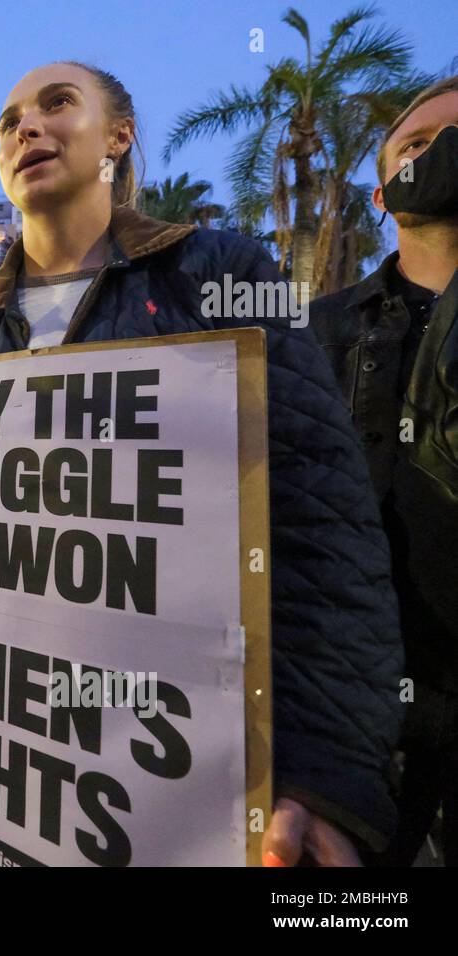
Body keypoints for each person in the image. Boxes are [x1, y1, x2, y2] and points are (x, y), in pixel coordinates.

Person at [0, 61, 401, 866]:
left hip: (158, 766)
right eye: (8, 121)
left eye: (57, 104)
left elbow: (321, 520)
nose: (25, 127)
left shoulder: (225, 272)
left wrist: (323, 776)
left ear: (119, 136)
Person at [311, 77, 458, 867]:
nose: (443, 153)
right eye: (419, 143)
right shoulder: (317, 333)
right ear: (381, 193)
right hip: (358, 713)